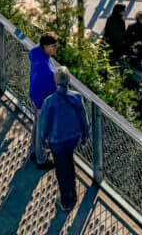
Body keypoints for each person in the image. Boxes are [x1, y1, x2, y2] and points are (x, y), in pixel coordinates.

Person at [37, 67, 88, 212]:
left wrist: (42, 140)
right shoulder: (77, 97)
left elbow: (44, 123)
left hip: (56, 141)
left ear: (56, 82)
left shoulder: (49, 101)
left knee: (61, 170)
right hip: (72, 138)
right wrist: (85, 136)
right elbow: (84, 118)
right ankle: (73, 193)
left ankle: (66, 201)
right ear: (68, 81)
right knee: (69, 162)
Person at [28, 33, 60, 166]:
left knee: (37, 126)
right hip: (43, 102)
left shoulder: (36, 52)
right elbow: (53, 90)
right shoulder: (47, 71)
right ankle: (41, 159)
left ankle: (34, 151)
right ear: (46, 46)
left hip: (36, 96)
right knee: (42, 130)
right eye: (53, 46)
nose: (55, 49)